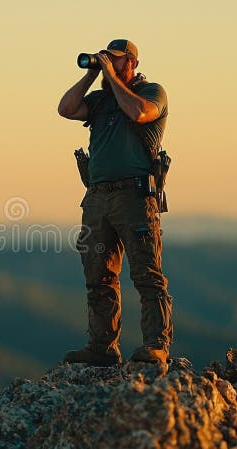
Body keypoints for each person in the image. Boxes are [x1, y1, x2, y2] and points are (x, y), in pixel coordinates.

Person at [57, 39, 174, 366]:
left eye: (117, 61)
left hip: (134, 197)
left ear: (132, 63)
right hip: (97, 198)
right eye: (109, 59)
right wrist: (93, 75)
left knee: (147, 275)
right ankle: (102, 348)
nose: (111, 64)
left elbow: (139, 113)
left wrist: (111, 74)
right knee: (98, 275)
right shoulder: (100, 101)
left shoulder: (152, 93)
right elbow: (65, 108)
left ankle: (157, 345)